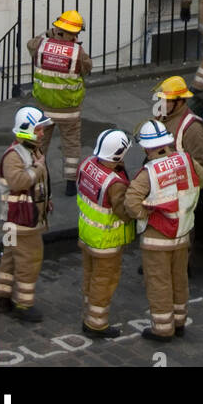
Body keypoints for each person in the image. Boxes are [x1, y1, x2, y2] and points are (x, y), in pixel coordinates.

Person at [124, 119, 202, 341]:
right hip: (183, 234)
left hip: (157, 239)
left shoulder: (147, 173)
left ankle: (162, 328)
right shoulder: (187, 161)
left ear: (147, 148)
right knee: (180, 280)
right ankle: (179, 322)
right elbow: (201, 180)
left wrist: (145, 215)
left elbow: (131, 202)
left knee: (159, 283)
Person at [77, 128, 136, 339]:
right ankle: (96, 324)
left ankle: (88, 314)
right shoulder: (115, 183)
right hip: (107, 243)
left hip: (87, 235)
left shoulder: (86, 165)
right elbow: (125, 212)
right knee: (104, 281)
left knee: (90, 277)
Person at [0, 105, 52, 323]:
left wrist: (46, 201)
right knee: (29, 260)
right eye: (38, 129)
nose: (42, 132)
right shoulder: (15, 155)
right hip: (21, 220)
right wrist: (38, 169)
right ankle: (24, 304)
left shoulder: (30, 149)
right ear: (27, 129)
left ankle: (2, 298)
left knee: (9, 258)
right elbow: (18, 182)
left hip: (15, 219)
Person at [27, 9, 92, 195]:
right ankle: (71, 184)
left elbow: (29, 44)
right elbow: (87, 67)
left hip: (44, 110)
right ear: (75, 33)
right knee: (71, 145)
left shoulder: (41, 44)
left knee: (39, 146)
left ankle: (40, 179)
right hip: (69, 111)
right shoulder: (77, 52)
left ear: (57, 27)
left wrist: (47, 34)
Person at [150, 75, 203, 183]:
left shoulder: (193, 128)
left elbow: (199, 168)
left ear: (180, 101)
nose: (162, 104)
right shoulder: (161, 115)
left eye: (167, 101)